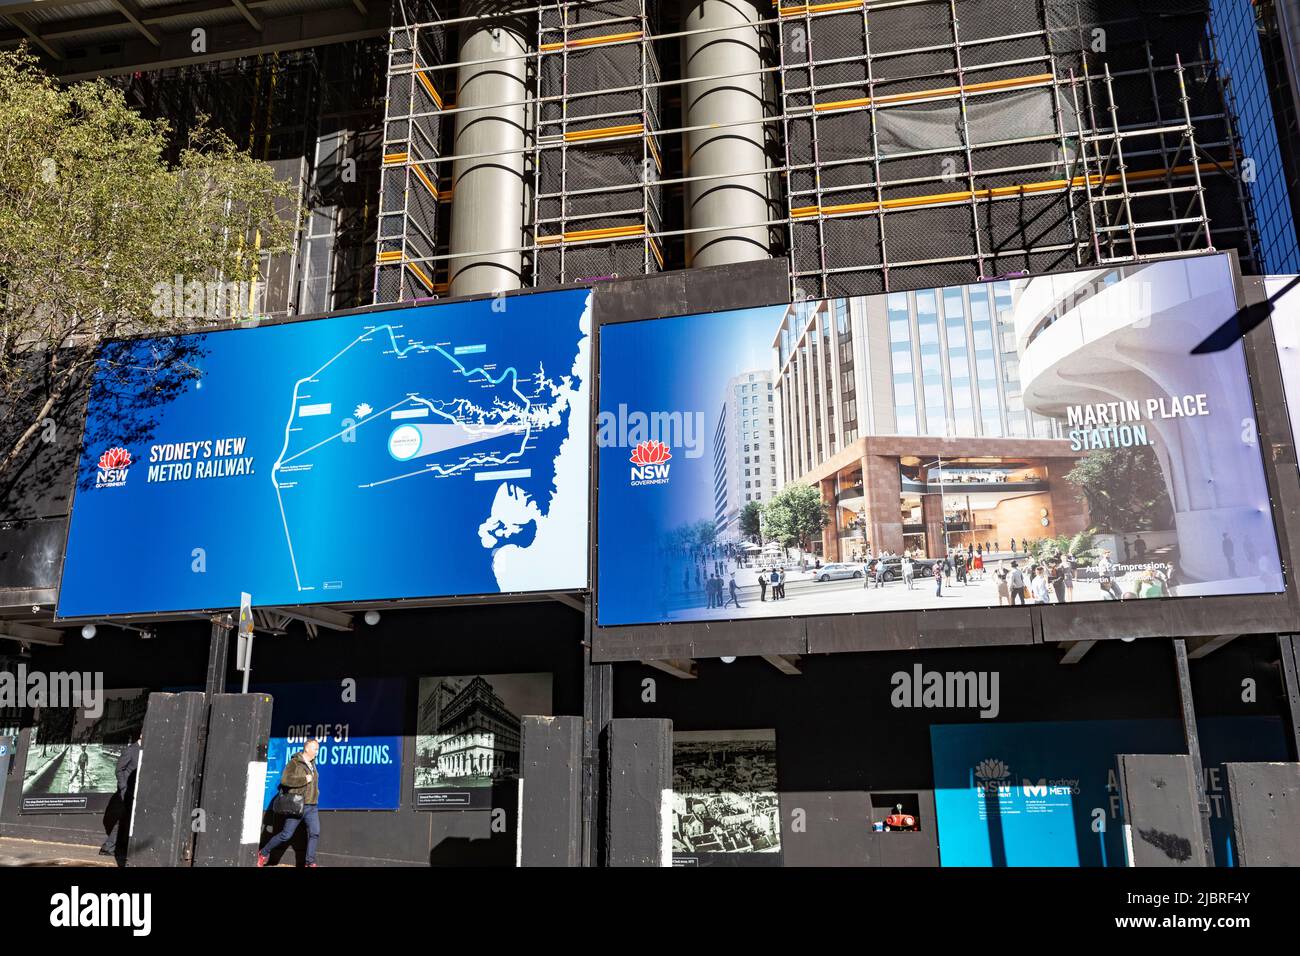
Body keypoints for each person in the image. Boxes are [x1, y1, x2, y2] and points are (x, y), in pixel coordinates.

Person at [259, 737, 322, 868]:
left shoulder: (313, 764)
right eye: (315, 748)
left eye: (317, 749)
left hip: (312, 806)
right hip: (297, 805)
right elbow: (285, 780)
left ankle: (310, 862)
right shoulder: (295, 763)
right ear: (307, 748)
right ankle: (263, 853)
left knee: (314, 833)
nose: (317, 751)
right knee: (286, 835)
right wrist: (304, 779)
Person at [100, 735, 141, 858]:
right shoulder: (131, 750)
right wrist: (123, 787)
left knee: (127, 819)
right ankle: (108, 847)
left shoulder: (144, 750)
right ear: (141, 735)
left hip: (136, 790)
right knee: (123, 819)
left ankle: (113, 846)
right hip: (127, 791)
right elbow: (119, 770)